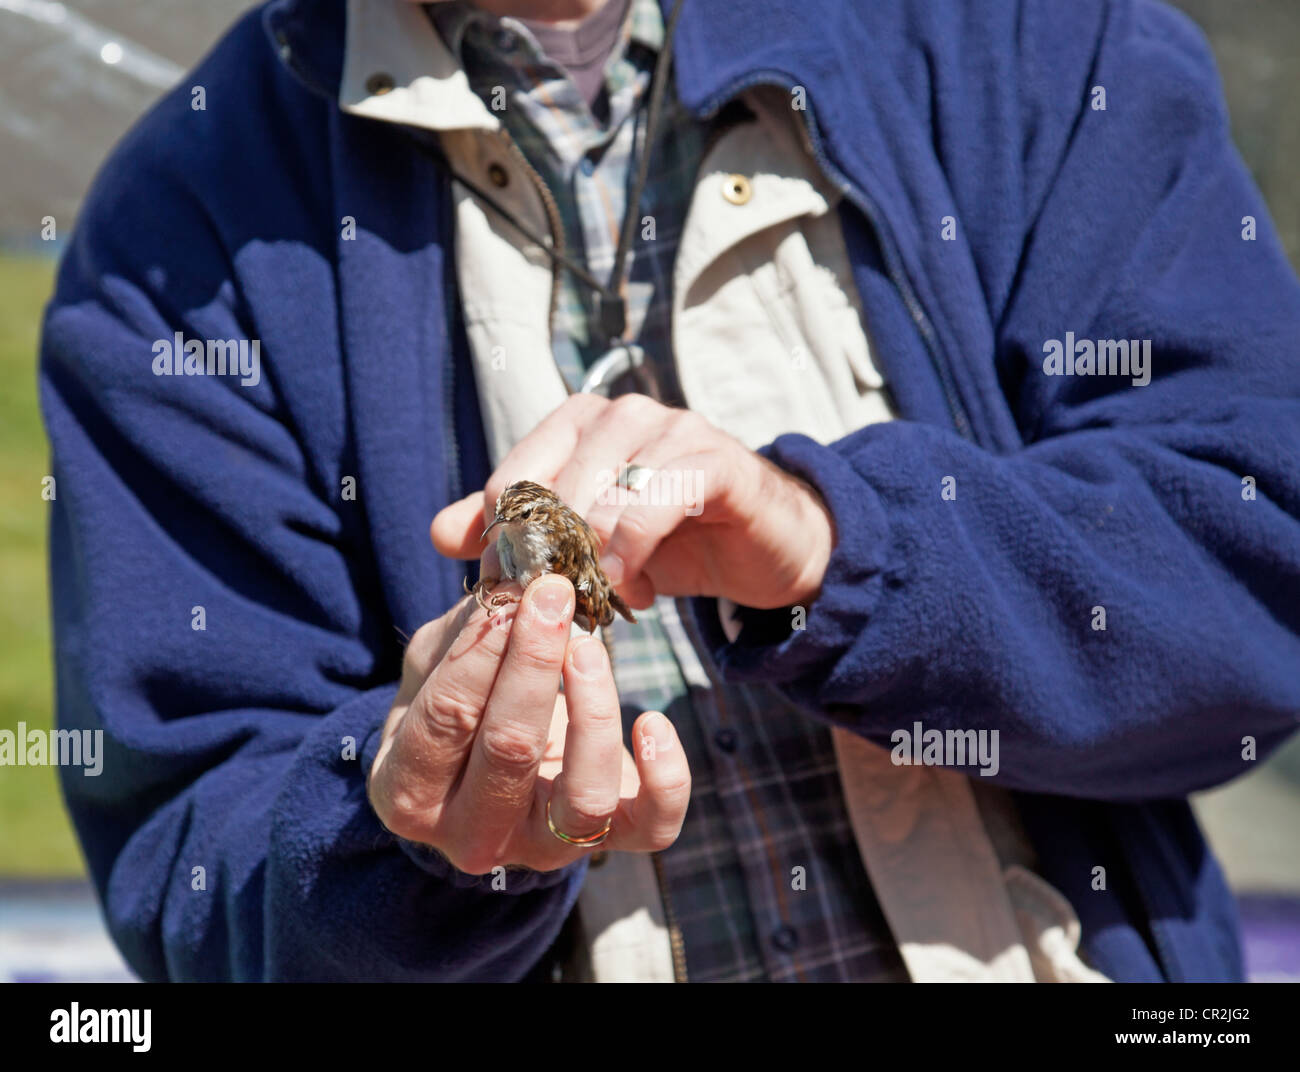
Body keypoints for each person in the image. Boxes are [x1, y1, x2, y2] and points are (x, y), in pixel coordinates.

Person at [39, 0, 1300, 982]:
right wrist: (413, 836)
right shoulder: (176, 237)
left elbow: (1259, 552)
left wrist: (840, 546)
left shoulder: (1024, 38)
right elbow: (198, 875)